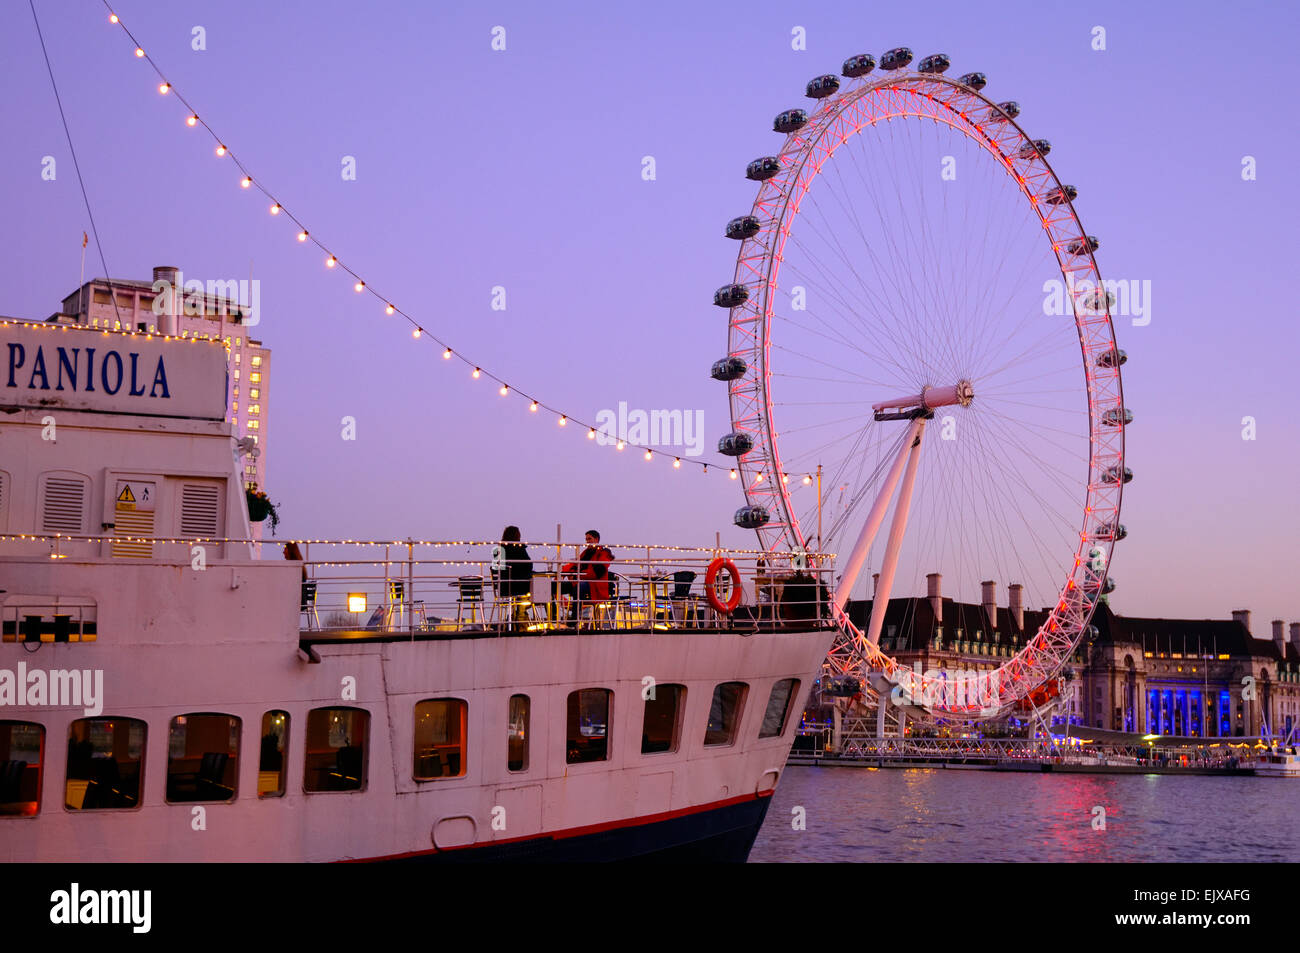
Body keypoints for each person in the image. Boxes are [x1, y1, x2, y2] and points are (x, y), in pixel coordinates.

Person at [573, 530, 613, 625]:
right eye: (586, 539)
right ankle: (554, 616)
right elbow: (575, 566)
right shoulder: (585, 553)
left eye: (589, 539)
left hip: (595, 584)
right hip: (582, 580)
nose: (587, 541)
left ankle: (574, 618)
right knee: (556, 586)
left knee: (579, 587)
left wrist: (581, 574)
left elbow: (599, 571)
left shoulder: (604, 552)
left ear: (596, 539)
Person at [497, 526, 534, 630]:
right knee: (539, 588)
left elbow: (496, 569)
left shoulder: (498, 549)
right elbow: (528, 565)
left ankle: (518, 615)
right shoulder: (519, 548)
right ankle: (521, 615)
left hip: (503, 587)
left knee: (530, 588)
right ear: (517, 535)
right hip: (518, 585)